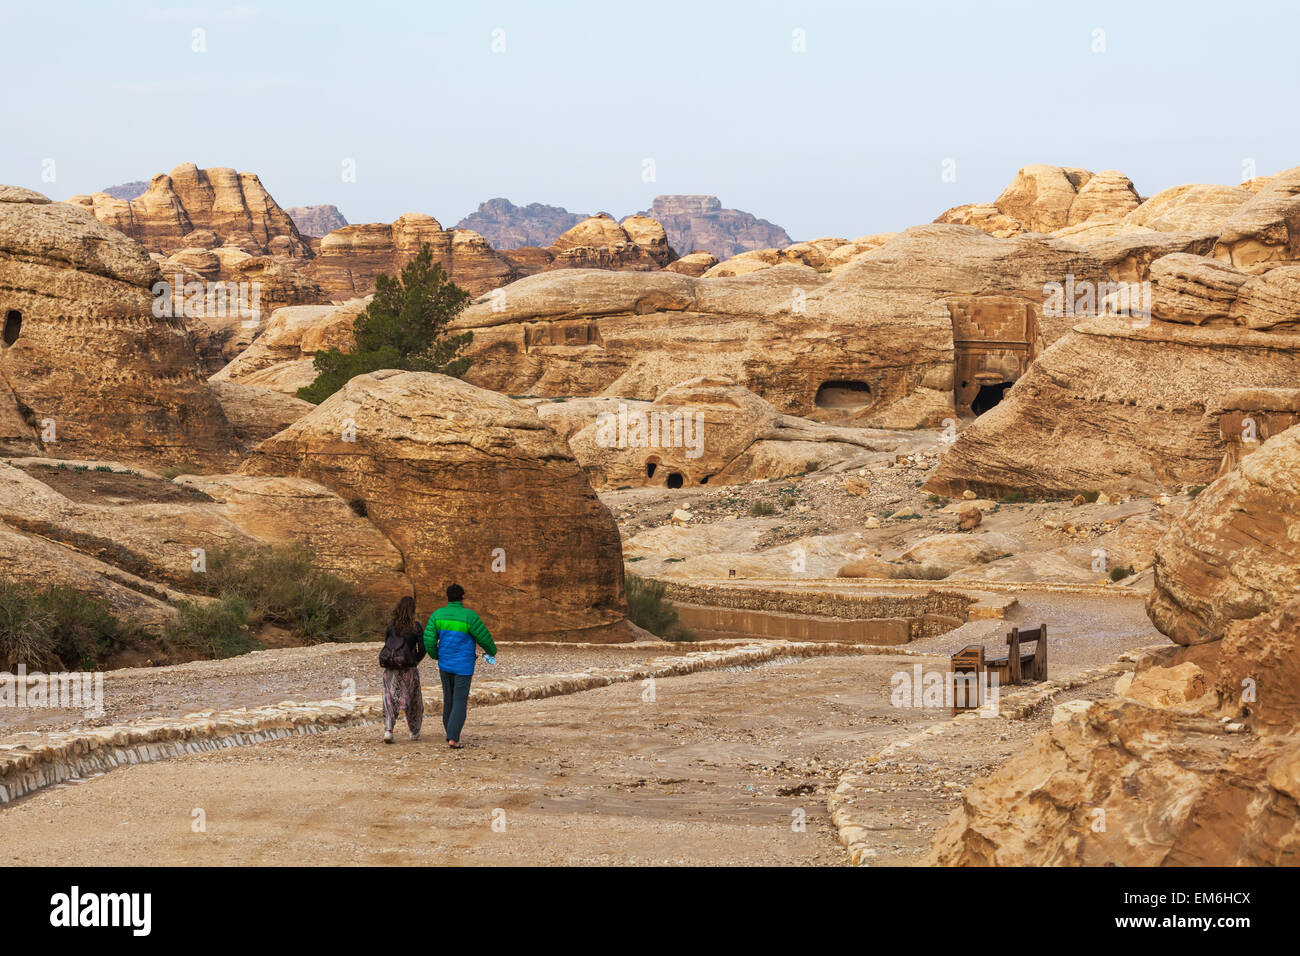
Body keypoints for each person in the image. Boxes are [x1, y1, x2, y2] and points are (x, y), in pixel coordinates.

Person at [424, 583, 497, 749]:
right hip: (464, 666)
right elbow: (484, 638)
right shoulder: (469, 616)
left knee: (448, 699)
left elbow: (428, 640)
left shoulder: (437, 615)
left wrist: (436, 655)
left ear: (447, 597)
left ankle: (450, 732)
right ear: (462, 597)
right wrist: (492, 651)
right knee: (459, 701)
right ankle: (453, 738)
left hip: (444, 664)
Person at [379, 595, 427, 744]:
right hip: (409, 669)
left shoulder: (391, 625)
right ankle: (414, 731)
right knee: (413, 700)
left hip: (391, 668)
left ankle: (389, 730)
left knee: (389, 698)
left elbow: (388, 644)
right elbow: (423, 648)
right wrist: (415, 661)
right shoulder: (416, 626)